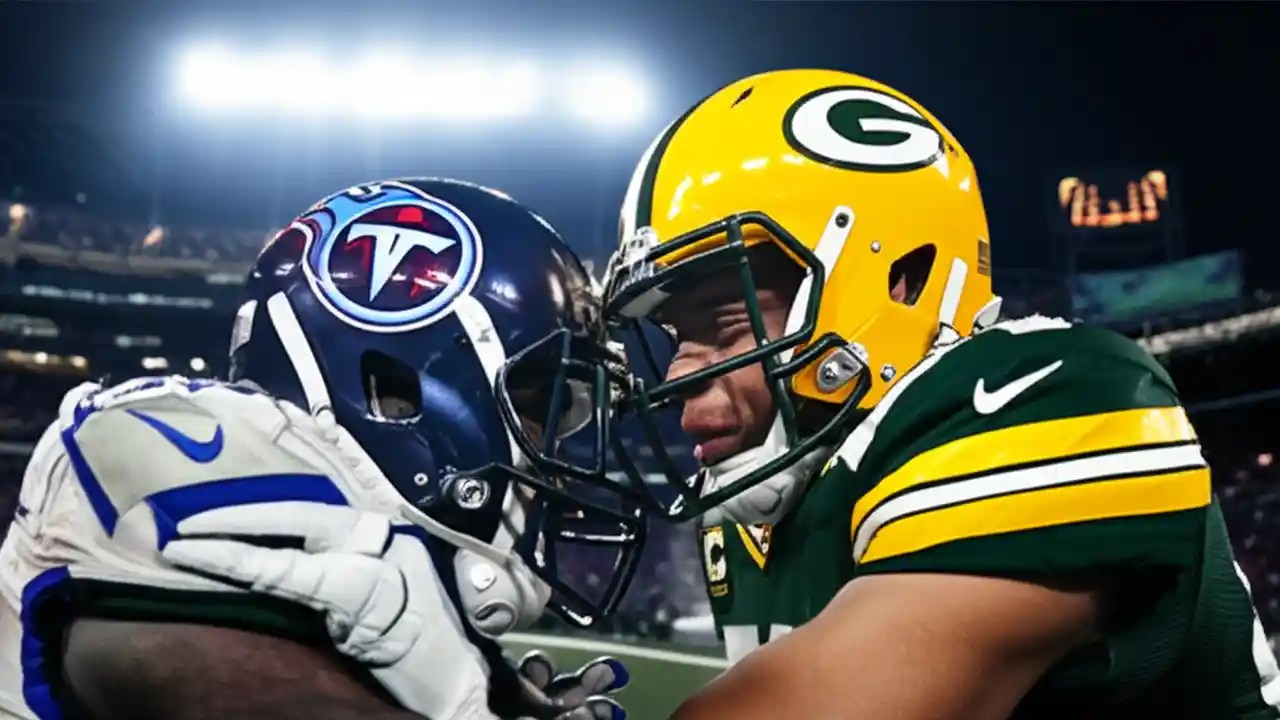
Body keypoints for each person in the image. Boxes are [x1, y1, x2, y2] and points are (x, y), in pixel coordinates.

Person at [601, 69, 1280, 718]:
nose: (677, 375)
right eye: (673, 335)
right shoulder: (755, 512)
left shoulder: (1049, 392)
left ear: (899, 278)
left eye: (723, 325)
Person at [0, 178, 640, 720]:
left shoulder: (347, 558)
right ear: (394, 391)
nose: (549, 452)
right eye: (533, 409)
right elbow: (183, 666)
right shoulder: (174, 446)